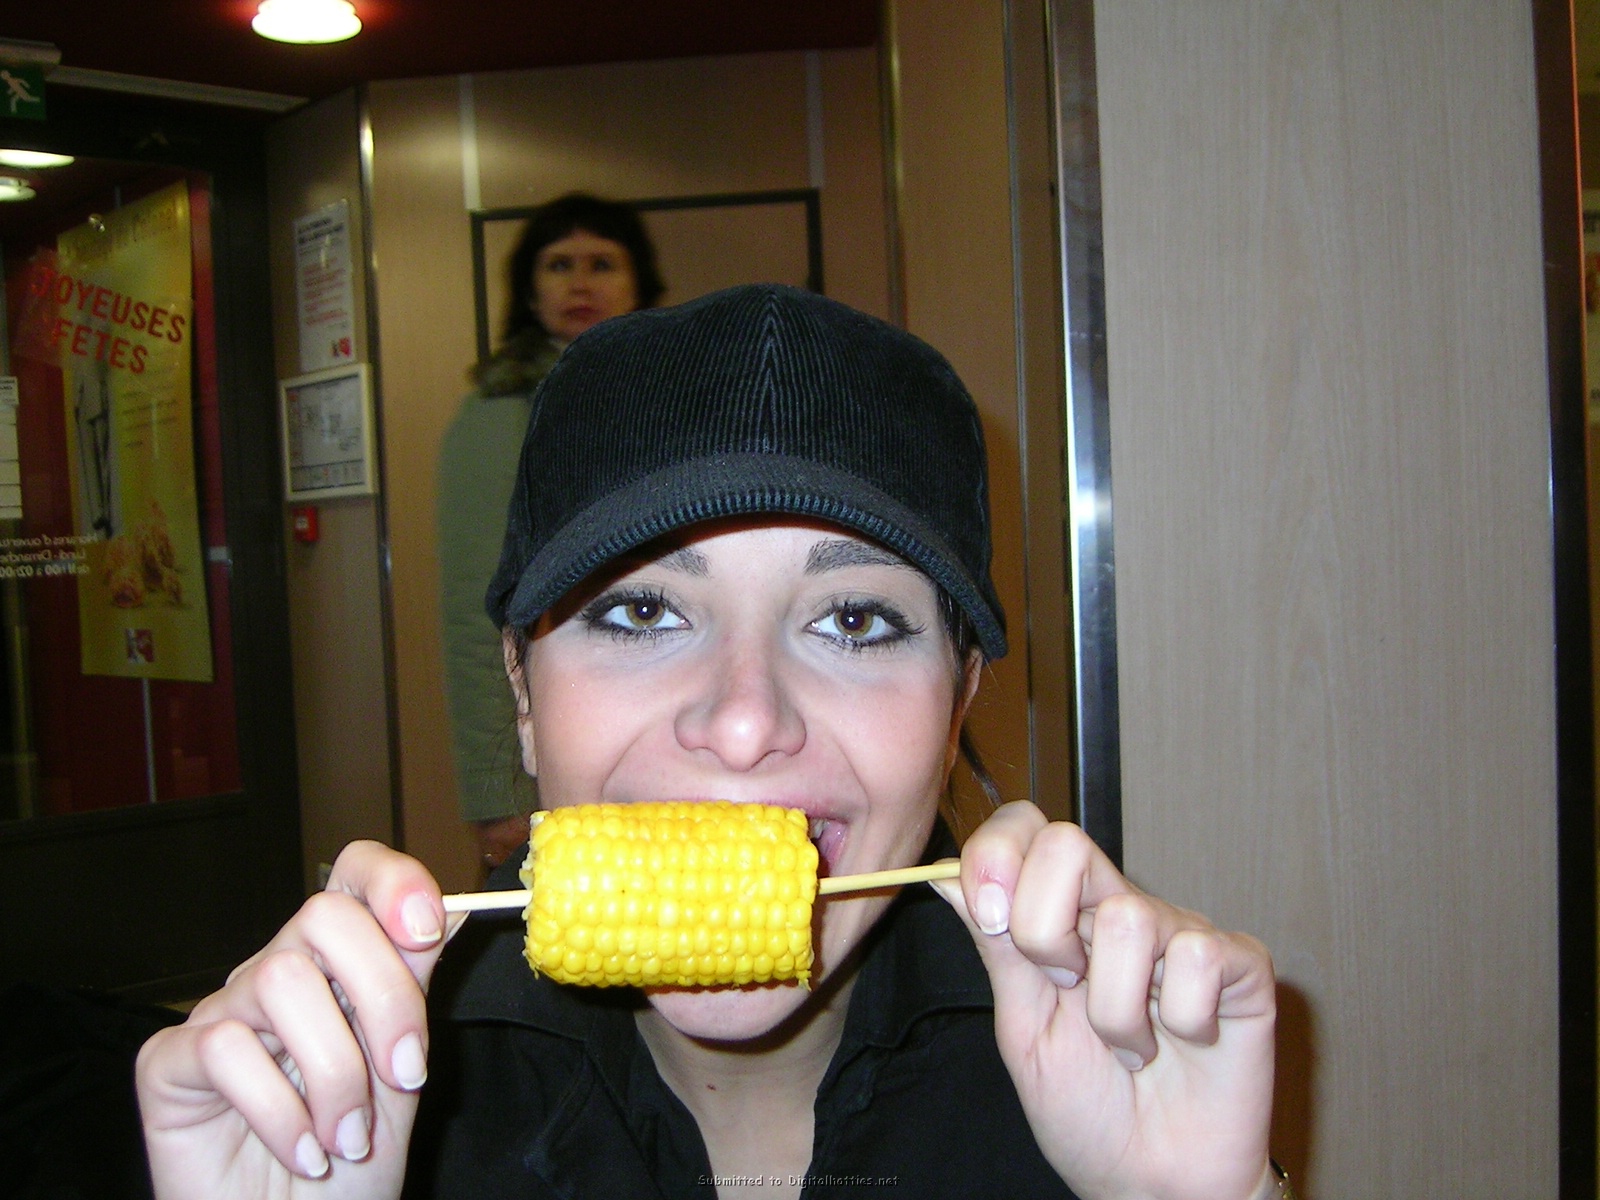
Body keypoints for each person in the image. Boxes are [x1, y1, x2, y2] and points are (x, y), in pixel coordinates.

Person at [138, 285, 1286, 1200]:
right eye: (641, 611)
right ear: (522, 692)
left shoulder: (1099, 1073)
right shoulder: (388, 1090)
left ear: (956, 707)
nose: (743, 724)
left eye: (853, 620)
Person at [437, 192, 665, 870]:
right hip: (566, 732)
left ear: (639, 285)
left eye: (602, 263)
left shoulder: (672, 398)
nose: (580, 283)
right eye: (559, 265)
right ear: (531, 294)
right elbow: (477, 613)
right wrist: (498, 792)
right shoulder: (500, 414)